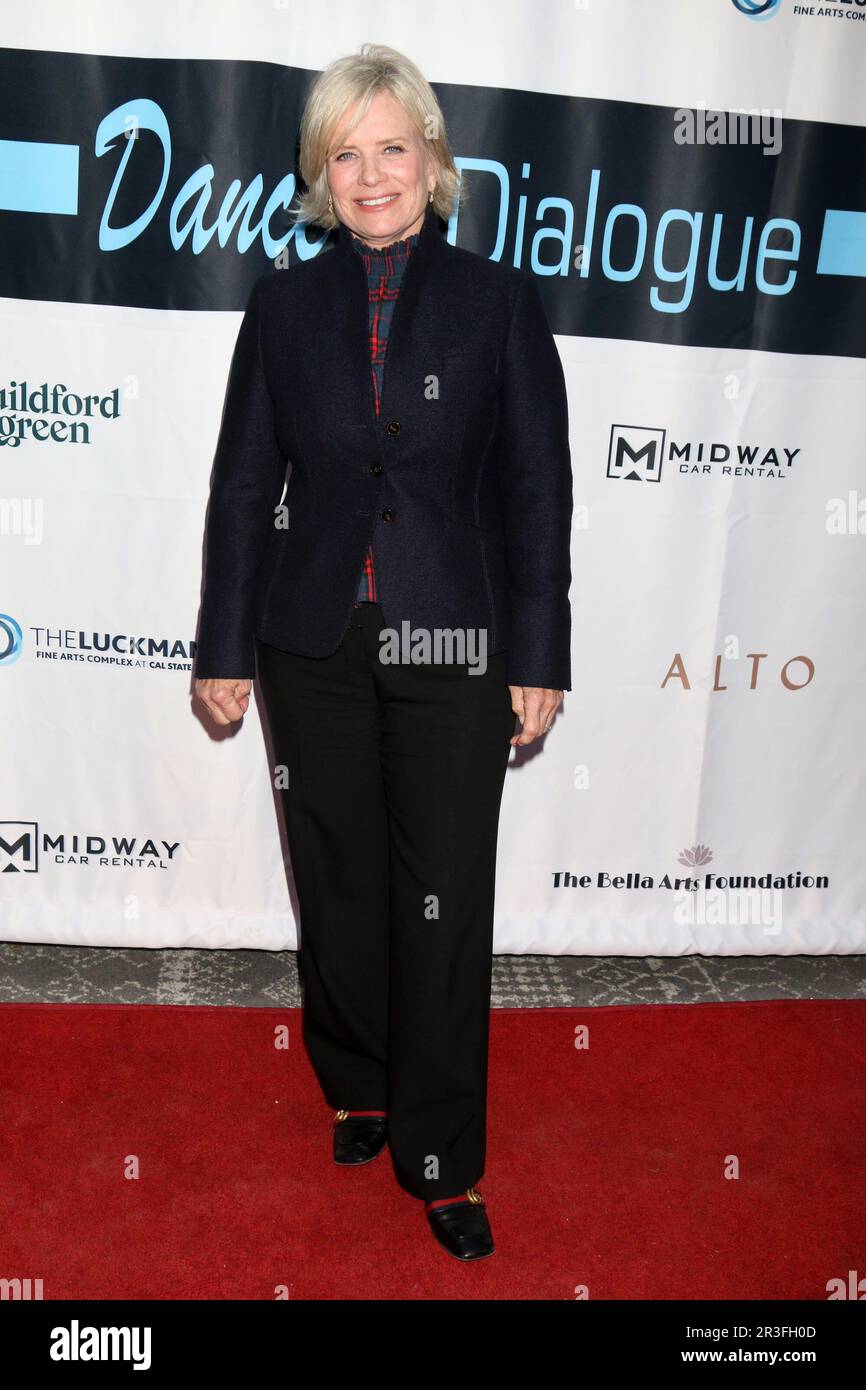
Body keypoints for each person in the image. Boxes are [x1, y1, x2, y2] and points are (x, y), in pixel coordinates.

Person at [193, 42, 573, 1261]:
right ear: (319, 174)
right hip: (310, 641)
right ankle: (358, 1085)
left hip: (455, 640)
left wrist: (539, 651)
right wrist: (222, 644)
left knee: (444, 901)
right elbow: (246, 485)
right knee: (342, 879)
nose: (369, 175)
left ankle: (440, 1154)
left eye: (390, 148)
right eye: (343, 154)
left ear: (432, 160)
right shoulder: (284, 305)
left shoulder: (496, 302)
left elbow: (535, 489)